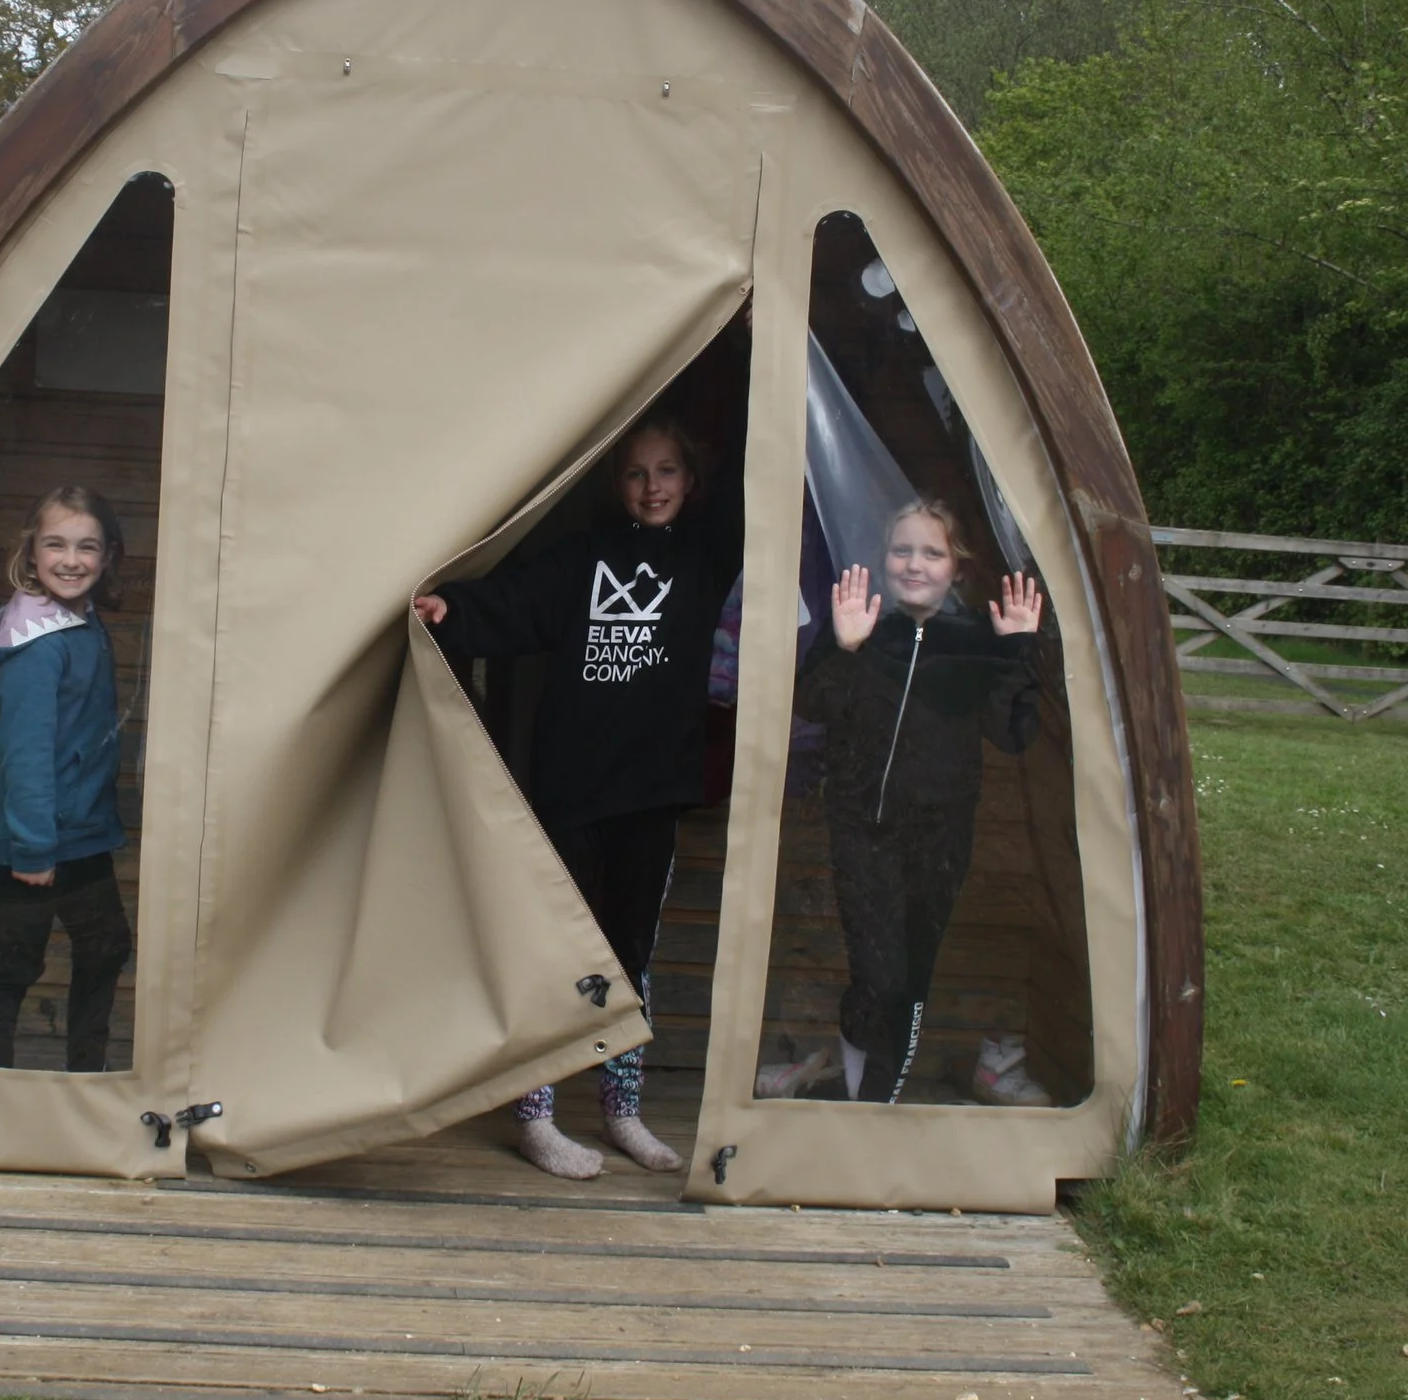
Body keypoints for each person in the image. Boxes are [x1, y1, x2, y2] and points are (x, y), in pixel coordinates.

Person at [413, 411, 741, 1179]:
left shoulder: (706, 555)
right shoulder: (583, 557)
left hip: (652, 791)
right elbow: (516, 603)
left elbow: (755, 485)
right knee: (556, 947)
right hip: (571, 785)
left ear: (690, 482)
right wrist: (453, 612)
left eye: (666, 471)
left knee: (631, 955)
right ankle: (537, 1114)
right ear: (615, 483)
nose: (651, 485)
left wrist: (767, 346)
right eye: (635, 472)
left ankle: (622, 1110)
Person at [781, 498, 1045, 1106]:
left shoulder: (976, 639)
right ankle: (863, 1098)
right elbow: (814, 705)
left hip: (940, 837)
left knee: (910, 978)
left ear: (957, 567)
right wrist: (844, 648)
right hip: (860, 828)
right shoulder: (864, 623)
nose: (915, 564)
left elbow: (1013, 734)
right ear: (884, 558)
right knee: (880, 975)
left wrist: (1016, 653)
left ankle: (873, 1104)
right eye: (903, 550)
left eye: (933, 552)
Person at [0, 486, 136, 1072]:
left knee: (106, 946)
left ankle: (85, 1075)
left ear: (108, 555)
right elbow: (27, 755)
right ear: (31, 552)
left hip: (81, 828)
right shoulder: (38, 645)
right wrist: (34, 848)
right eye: (56, 544)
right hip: (40, 838)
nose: (71, 560)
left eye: (87, 547)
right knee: (17, 961)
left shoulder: (80, 622)